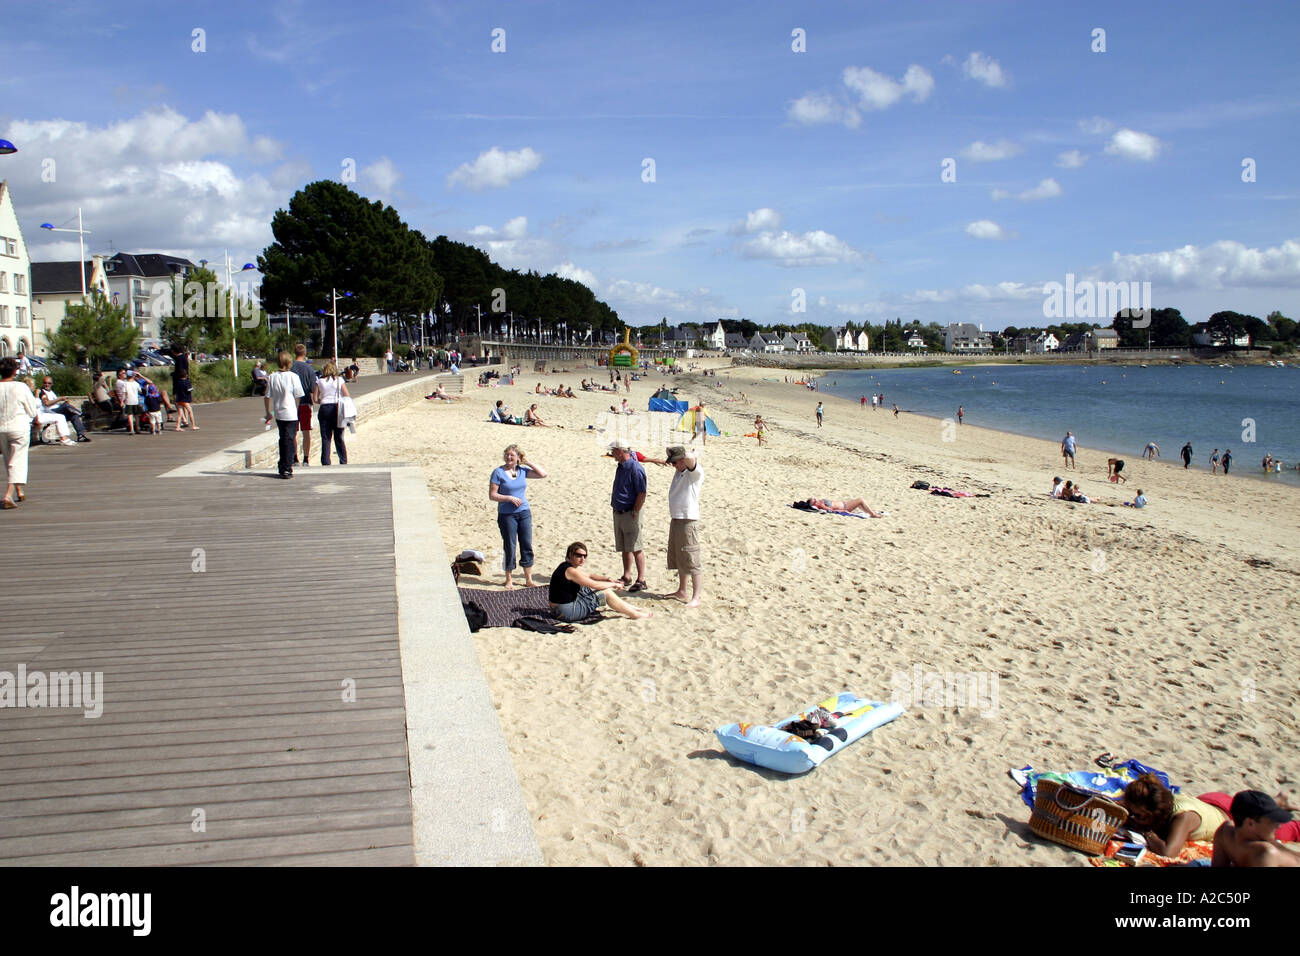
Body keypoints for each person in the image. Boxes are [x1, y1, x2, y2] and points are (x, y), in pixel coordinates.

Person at [489, 444, 547, 589]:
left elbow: (543, 474)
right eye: (507, 455)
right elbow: (492, 495)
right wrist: (508, 498)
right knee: (510, 545)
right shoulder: (498, 472)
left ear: (518, 458)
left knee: (526, 544)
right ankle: (509, 579)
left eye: (512, 455)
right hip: (507, 514)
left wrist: (527, 462)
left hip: (524, 512)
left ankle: (528, 579)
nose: (508, 458)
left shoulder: (522, 471)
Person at [548, 542, 653, 621]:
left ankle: (631, 608)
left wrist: (607, 579)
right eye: (578, 555)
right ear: (570, 554)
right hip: (565, 612)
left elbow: (589, 575)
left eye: (585, 556)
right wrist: (614, 584)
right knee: (605, 592)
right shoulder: (570, 571)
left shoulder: (567, 566)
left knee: (586, 588)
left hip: (557, 610)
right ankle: (633, 614)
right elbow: (595, 584)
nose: (582, 559)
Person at [1213, 791, 1300, 867]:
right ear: (1250, 823)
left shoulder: (1224, 833)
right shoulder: (1265, 853)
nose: (1279, 826)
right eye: (1272, 821)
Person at [665, 445, 704, 607]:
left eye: (675, 462)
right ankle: (682, 590)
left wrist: (689, 453)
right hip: (676, 518)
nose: (673, 466)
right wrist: (674, 453)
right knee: (679, 556)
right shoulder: (679, 472)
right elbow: (670, 451)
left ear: (683, 461)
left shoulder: (694, 474)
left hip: (688, 520)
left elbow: (691, 460)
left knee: (691, 558)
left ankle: (696, 596)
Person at [0, 357, 41, 508]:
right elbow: (31, 409)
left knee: (9, 460)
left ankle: (19, 490)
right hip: (18, 426)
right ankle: (8, 495)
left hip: (1, 428)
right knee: (18, 460)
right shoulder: (20, 387)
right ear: (15, 371)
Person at [609, 440, 648, 592]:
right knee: (625, 546)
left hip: (630, 513)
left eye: (614, 451)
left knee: (635, 546)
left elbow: (642, 493)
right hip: (619, 511)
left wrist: (635, 511)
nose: (612, 454)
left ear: (620, 451)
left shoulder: (635, 468)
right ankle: (627, 575)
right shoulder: (621, 467)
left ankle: (641, 579)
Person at [264, 351, 305, 479]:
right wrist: (297, 408)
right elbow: (298, 395)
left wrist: (268, 412)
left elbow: (267, 396)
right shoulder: (293, 377)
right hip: (291, 412)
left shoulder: (272, 377)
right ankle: (286, 467)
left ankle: (283, 465)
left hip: (278, 412)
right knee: (288, 439)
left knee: (283, 438)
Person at [314, 361, 350, 466]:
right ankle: (343, 460)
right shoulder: (339, 380)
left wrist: (322, 401)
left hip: (325, 408)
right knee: (338, 437)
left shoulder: (320, 381)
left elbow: (315, 398)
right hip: (337, 408)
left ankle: (325, 461)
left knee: (326, 437)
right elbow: (346, 395)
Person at [36, 376, 90, 442]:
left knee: (73, 415)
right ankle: (80, 413)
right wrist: (59, 399)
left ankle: (81, 435)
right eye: (45, 383)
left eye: (49, 383)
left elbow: (56, 403)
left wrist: (61, 402)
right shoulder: (42, 392)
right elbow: (47, 403)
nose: (47, 385)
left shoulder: (52, 392)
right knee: (66, 406)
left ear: (52, 384)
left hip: (57, 410)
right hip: (50, 411)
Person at [290, 344, 318, 467]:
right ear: (305, 353)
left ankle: (295, 458)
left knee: (293, 432)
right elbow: (312, 388)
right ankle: (306, 459)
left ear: (294, 352)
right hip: (305, 402)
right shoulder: (309, 368)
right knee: (306, 432)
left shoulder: (290, 367)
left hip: (292, 404)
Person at [167, 344, 197, 429]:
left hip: (178, 383)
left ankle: (184, 420)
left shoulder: (179, 359)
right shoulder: (183, 357)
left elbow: (179, 370)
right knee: (186, 405)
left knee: (178, 402)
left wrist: (173, 374)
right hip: (185, 383)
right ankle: (187, 421)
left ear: (174, 351)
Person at [115, 368, 142, 435]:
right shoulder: (136, 384)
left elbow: (124, 393)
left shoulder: (125, 384)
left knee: (130, 415)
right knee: (136, 415)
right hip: (135, 401)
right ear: (133, 376)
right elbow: (140, 391)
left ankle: (132, 429)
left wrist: (121, 401)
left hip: (128, 401)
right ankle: (138, 428)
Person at [807, 497, 885, 518]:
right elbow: (831, 510)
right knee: (860, 500)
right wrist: (843, 511)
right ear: (813, 504)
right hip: (845, 507)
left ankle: (871, 511)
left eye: (814, 499)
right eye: (814, 501)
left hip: (845, 503)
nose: (816, 500)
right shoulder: (820, 505)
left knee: (860, 503)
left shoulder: (820, 502)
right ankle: (872, 514)